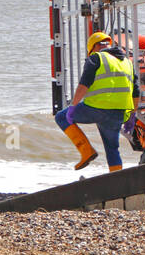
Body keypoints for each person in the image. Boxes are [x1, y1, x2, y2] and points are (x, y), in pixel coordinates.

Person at [55, 31, 139, 173]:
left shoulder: (96, 58)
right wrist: (132, 114)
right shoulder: (127, 63)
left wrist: (73, 106)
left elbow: (83, 85)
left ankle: (86, 151)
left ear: (93, 47)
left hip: (96, 108)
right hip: (118, 113)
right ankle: (116, 178)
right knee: (112, 149)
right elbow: (136, 91)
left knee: (61, 117)